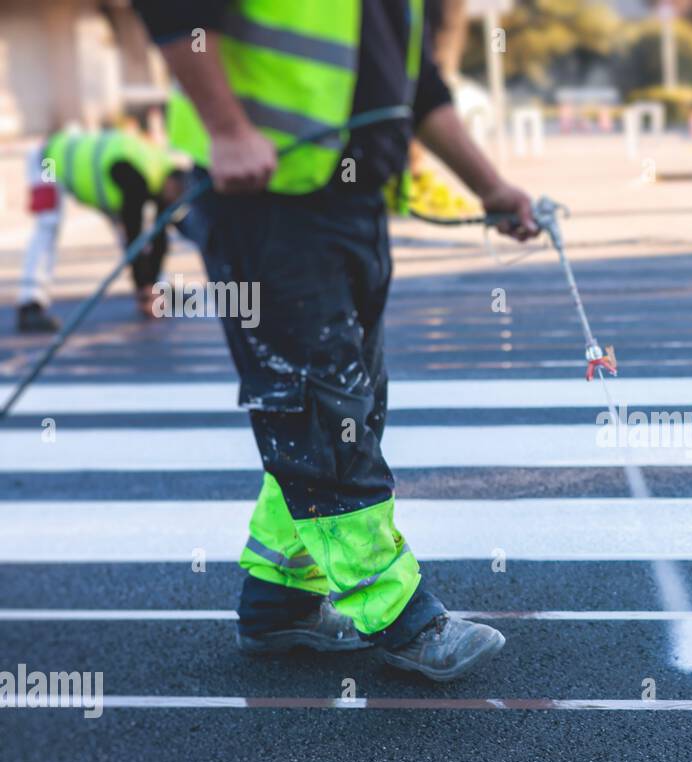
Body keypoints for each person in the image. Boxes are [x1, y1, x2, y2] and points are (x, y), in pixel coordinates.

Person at [132, 0, 539, 682]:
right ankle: (400, 615)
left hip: (352, 202)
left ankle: (278, 600)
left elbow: (418, 88)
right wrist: (225, 128)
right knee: (320, 410)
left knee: (343, 405)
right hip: (265, 200)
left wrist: (491, 187)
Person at [16, 128, 188, 333]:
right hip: (48, 159)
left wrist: (150, 284)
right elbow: (134, 233)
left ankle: (157, 286)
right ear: (173, 186)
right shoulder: (135, 177)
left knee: (125, 226)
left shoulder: (162, 174)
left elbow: (159, 235)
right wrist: (144, 286)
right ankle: (30, 302)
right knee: (48, 223)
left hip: (99, 179)